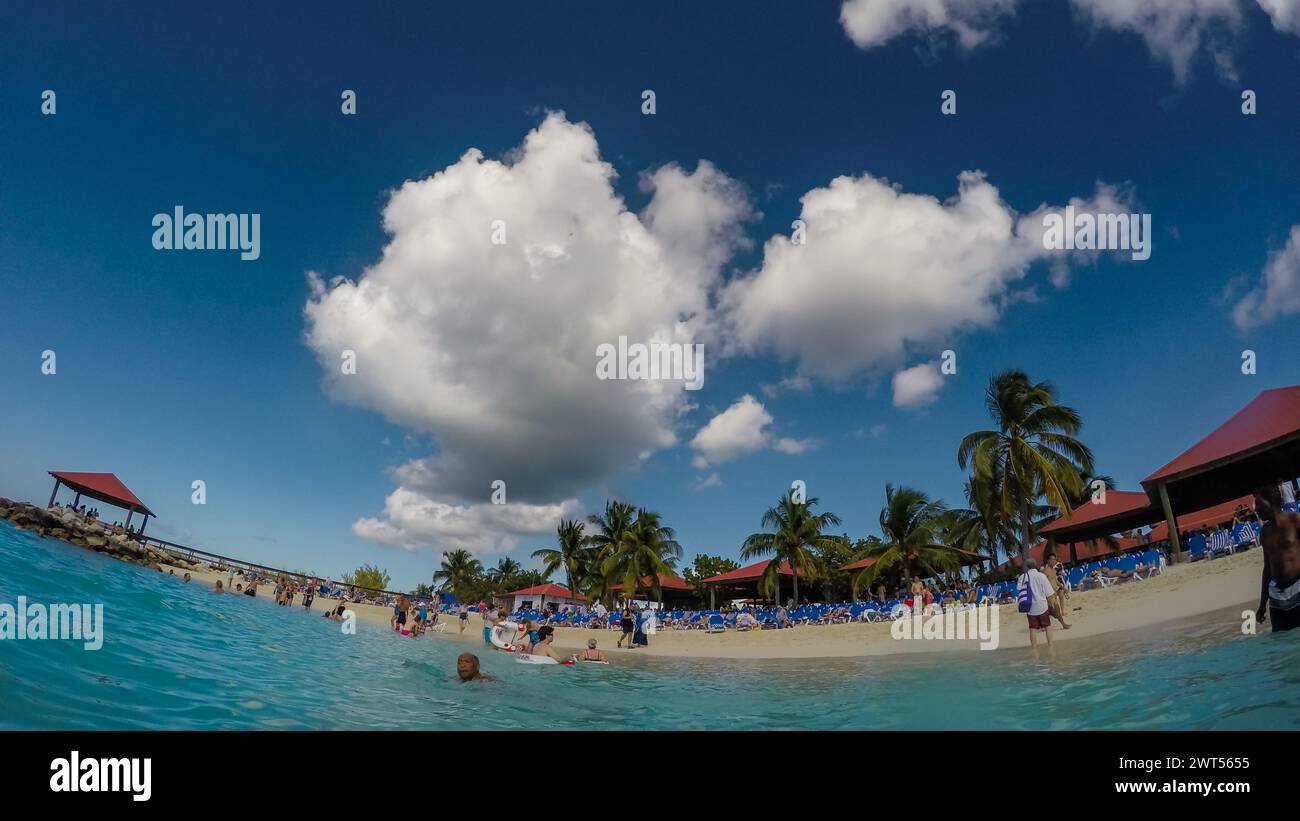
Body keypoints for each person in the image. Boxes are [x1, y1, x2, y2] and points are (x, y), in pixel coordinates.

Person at [1254, 484, 1300, 632]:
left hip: (1299, 588)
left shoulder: (1295, 520)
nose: (1256, 509)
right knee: (1281, 642)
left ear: (1271, 503)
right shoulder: (1264, 532)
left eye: (1259, 504)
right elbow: (1267, 569)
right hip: (1277, 598)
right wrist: (1262, 605)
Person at [1016, 559, 1056, 649]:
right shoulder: (1041, 576)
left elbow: (1019, 590)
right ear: (1035, 565)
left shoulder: (1023, 577)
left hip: (1030, 607)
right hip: (1042, 606)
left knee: (1032, 629)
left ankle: (1034, 649)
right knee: (1047, 626)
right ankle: (1051, 646)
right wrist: (1052, 604)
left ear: (1027, 566)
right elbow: (1049, 592)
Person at [1041, 550, 1071, 629]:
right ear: (1048, 560)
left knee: (1050, 611)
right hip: (1049, 594)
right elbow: (1041, 582)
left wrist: (1063, 587)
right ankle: (1063, 624)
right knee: (1055, 609)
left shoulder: (1053, 570)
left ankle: (1044, 626)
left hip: (1053, 593)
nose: (1053, 561)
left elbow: (1056, 581)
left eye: (1054, 559)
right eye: (1051, 559)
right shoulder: (1046, 571)